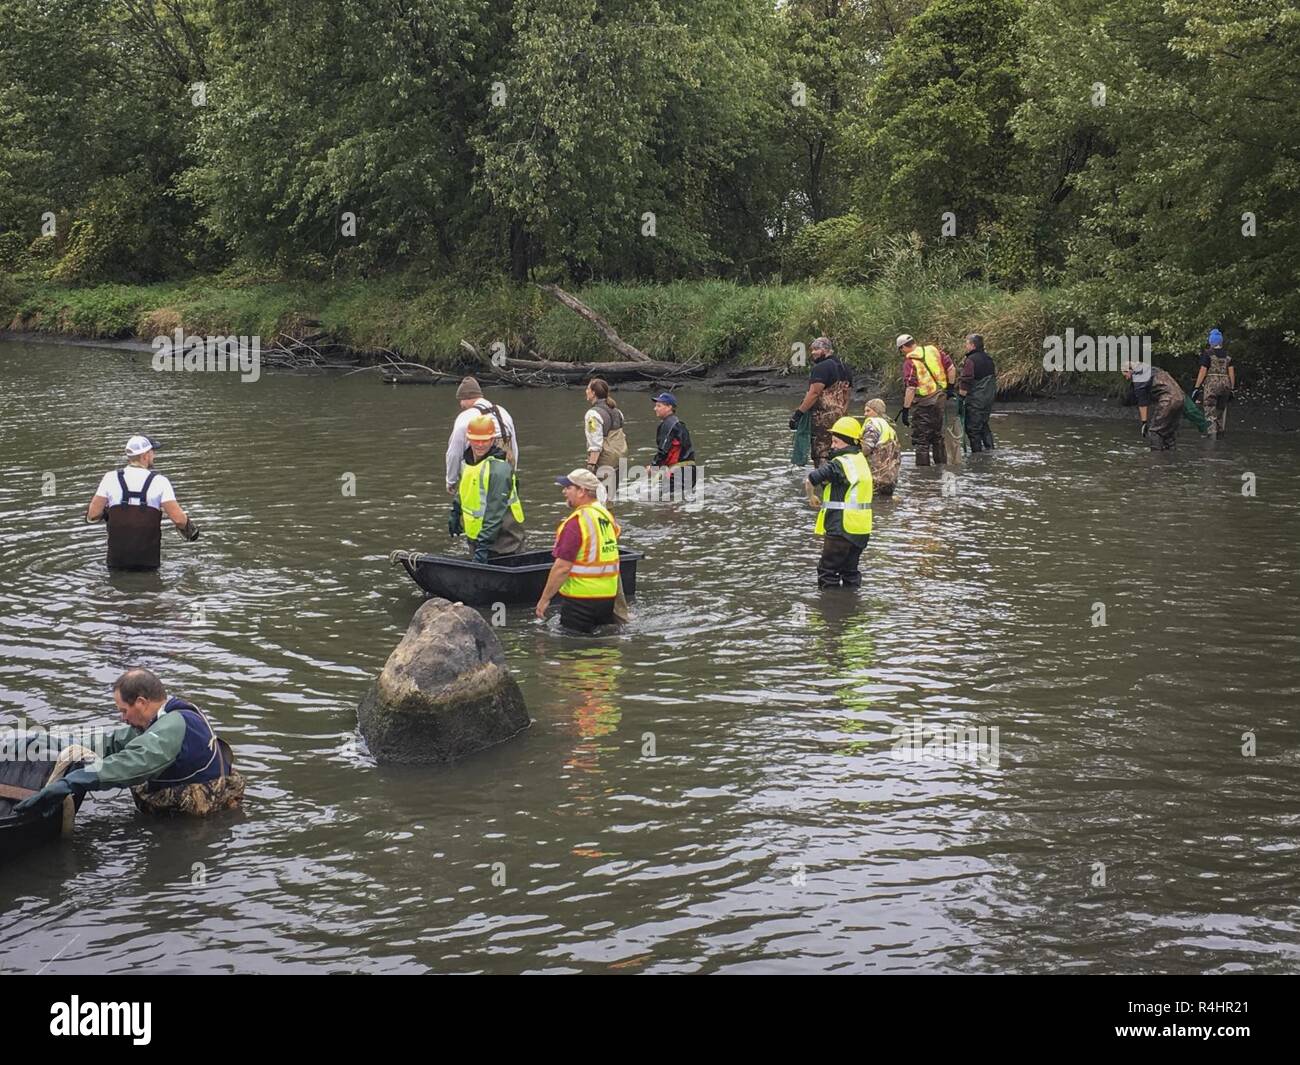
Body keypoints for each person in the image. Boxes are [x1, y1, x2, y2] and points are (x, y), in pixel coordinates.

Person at [14, 667, 244, 819]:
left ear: (142, 702)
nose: (122, 718)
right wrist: (47, 743)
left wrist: (71, 783)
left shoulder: (171, 727)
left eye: (124, 711)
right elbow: (112, 742)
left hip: (199, 811)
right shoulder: (164, 716)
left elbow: (129, 763)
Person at [86, 435, 199, 570]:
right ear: (145, 456)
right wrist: (192, 532)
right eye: (152, 452)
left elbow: (93, 515)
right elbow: (179, 520)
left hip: (116, 562)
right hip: (148, 563)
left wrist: (107, 513)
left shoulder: (109, 478)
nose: (154, 455)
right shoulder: (160, 481)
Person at [536, 469, 622, 633]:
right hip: (607, 598)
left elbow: (562, 568)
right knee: (604, 651)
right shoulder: (605, 514)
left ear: (582, 491)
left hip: (580, 601)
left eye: (568, 487)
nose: (564, 491)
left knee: (572, 652)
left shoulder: (576, 523)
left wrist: (545, 599)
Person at [804, 416, 872, 588]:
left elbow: (810, 479)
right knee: (850, 572)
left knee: (828, 572)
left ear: (847, 441)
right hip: (861, 529)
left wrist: (811, 496)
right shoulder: (861, 460)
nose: (832, 445)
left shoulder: (840, 463)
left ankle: (830, 610)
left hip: (841, 527)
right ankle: (851, 606)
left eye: (836, 441)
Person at [450, 415, 525, 561]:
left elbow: (495, 511)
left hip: (504, 544)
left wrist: (483, 545)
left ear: (492, 440)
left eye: (485, 440)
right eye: (476, 440)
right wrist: (456, 510)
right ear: (468, 439)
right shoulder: (468, 463)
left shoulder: (499, 470)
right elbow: (465, 490)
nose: (480, 445)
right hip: (479, 539)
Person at [445, 376, 519, 494]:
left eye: (461, 400)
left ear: (466, 398)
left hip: (478, 479)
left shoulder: (465, 417)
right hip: (505, 477)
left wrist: (451, 481)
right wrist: (512, 474)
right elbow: (513, 447)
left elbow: (454, 453)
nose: (460, 404)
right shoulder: (503, 412)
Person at [789, 336, 854, 466]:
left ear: (826, 350)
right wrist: (842, 414)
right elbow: (847, 394)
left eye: (816, 349)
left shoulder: (821, 368)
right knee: (838, 450)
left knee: (821, 453)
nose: (813, 352)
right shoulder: (845, 367)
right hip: (841, 419)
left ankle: (822, 481)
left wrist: (798, 414)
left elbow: (814, 393)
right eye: (812, 350)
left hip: (822, 419)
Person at [896, 334, 957, 467]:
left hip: (924, 403)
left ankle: (923, 476)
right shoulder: (933, 351)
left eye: (900, 349)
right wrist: (950, 388)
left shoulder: (910, 362)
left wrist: (906, 409)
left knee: (921, 441)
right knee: (937, 437)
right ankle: (941, 469)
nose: (901, 352)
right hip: (940, 398)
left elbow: (911, 388)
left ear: (904, 347)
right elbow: (951, 368)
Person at [1124, 363, 1185, 449]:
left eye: (1125, 373)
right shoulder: (1155, 370)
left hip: (1168, 400)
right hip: (1181, 399)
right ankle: (1171, 456)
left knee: (1154, 431)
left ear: (1131, 370)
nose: (1126, 377)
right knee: (1169, 432)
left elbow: (1142, 401)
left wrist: (1144, 423)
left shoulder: (1139, 377)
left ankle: (1155, 457)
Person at [648, 391, 696, 495]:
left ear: (669, 407)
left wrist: (653, 466)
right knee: (682, 502)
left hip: (678, 473)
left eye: (658, 406)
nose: (655, 408)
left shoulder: (668, 424)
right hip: (690, 471)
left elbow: (663, 450)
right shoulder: (678, 424)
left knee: (666, 505)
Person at [1191, 328, 1236, 436]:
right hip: (1225, 385)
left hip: (1212, 385)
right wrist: (1232, 388)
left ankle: (1211, 437)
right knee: (1220, 411)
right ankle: (1220, 435)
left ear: (1211, 341)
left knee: (1210, 410)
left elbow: (1203, 370)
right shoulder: (1228, 355)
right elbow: (1231, 373)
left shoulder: (1208, 354)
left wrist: (1197, 387)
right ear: (1221, 342)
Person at [584, 378, 628, 481]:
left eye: (587, 388)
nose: (586, 391)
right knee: (612, 494)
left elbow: (595, 444)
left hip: (605, 463)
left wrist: (591, 466)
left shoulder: (592, 415)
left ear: (593, 392)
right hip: (620, 461)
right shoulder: (617, 411)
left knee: (599, 495)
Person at [958, 334, 997, 452]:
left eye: (967, 344)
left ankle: (977, 456)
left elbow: (966, 380)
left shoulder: (971, 360)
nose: (966, 346)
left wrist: (960, 398)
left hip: (976, 399)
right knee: (984, 425)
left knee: (973, 429)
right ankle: (990, 449)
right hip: (988, 399)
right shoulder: (989, 359)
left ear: (972, 345)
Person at [860, 398, 901, 497]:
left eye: (868, 410)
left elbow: (866, 448)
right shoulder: (890, 428)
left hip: (876, 477)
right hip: (891, 479)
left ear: (877, 411)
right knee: (886, 505)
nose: (865, 414)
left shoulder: (872, 425)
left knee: (873, 506)